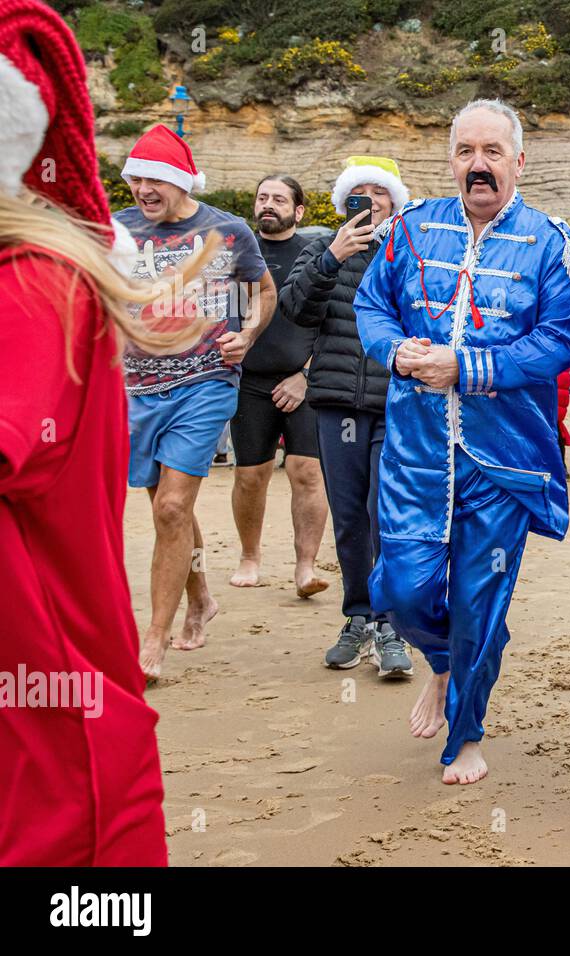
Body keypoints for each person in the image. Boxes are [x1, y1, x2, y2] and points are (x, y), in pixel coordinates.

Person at [0, 0, 210, 862]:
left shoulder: (36, 282)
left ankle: (176, 618)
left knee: (172, 509)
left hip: (57, 756)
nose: (145, 193)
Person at [354, 99, 570, 785]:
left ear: (520, 161)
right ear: (450, 159)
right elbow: (371, 305)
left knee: (481, 605)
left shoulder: (551, 243)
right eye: (465, 152)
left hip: (503, 457)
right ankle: (443, 659)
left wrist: (471, 367)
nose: (478, 166)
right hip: (416, 452)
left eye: (492, 152)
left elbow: (559, 341)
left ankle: (466, 734)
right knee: (399, 588)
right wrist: (395, 353)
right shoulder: (412, 232)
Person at [114, 125, 275, 680]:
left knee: (172, 509)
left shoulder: (227, 231)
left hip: (206, 382)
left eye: (152, 178)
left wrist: (248, 335)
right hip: (134, 389)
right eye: (134, 178)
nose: (140, 188)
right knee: (167, 510)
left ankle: (153, 638)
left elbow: (265, 291)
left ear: (178, 181)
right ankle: (201, 595)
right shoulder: (118, 232)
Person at [280, 157, 413, 678]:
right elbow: (293, 308)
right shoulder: (321, 249)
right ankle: (357, 617)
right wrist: (331, 259)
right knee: (350, 517)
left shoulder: (409, 252)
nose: (370, 202)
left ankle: (390, 626)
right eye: (358, 194)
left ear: (394, 203)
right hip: (336, 400)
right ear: (343, 204)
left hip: (395, 402)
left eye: (380, 193)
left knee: (387, 515)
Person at [229, 173, 329, 598]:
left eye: (279, 199)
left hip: (303, 379)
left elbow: (336, 321)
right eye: (262, 196)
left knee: (306, 471)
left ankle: (305, 567)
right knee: (250, 475)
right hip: (248, 381)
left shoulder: (315, 254)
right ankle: (249, 556)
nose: (268, 204)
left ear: (298, 210)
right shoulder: (233, 252)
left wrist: (305, 374)